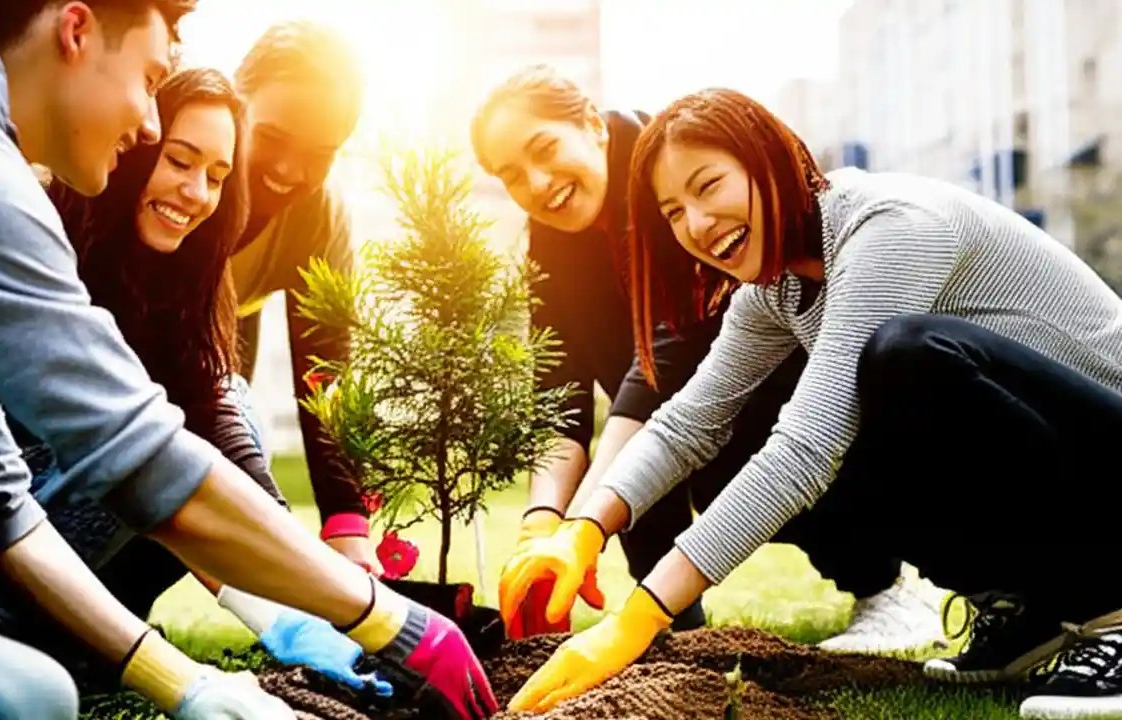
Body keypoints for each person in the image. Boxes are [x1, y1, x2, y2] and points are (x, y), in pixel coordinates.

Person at [0, 2, 496, 719]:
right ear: (77, 30)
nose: (150, 124)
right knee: (14, 698)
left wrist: (184, 682)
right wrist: (385, 617)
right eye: (151, 78)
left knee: (35, 688)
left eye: (215, 173)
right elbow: (137, 456)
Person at [499, 87, 1122, 719]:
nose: (696, 223)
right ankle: (1036, 606)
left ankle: (1113, 604)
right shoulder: (776, 289)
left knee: (907, 357)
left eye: (708, 185)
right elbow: (689, 421)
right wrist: (582, 530)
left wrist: (637, 619)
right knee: (832, 441)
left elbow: (805, 449)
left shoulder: (889, 229)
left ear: (767, 158)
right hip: (1072, 462)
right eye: (673, 211)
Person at [0, 65, 391, 700]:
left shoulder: (181, 277)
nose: (198, 192)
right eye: (179, 160)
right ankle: (24, 640)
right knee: (139, 441)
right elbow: (133, 447)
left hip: (38, 518)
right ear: (136, 141)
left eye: (219, 176)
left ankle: (65, 647)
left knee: (221, 403)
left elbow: (216, 428)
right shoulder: (40, 230)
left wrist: (294, 597)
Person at [471, 64, 945, 651]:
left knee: (719, 443)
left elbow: (664, 362)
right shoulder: (549, 241)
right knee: (652, 436)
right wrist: (541, 526)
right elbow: (557, 388)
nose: (538, 182)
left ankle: (884, 586)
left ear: (591, 124)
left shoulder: (670, 182)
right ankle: (671, 614)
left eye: (543, 149)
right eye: (511, 175)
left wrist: (582, 526)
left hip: (774, 396)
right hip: (671, 409)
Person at [225, 19, 386, 575]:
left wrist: (347, 525)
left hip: (227, 325)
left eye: (321, 151)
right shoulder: (174, 169)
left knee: (229, 465)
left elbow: (325, 372)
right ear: (233, 99)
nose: (289, 170)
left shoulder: (318, 218)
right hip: (138, 332)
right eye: (271, 138)